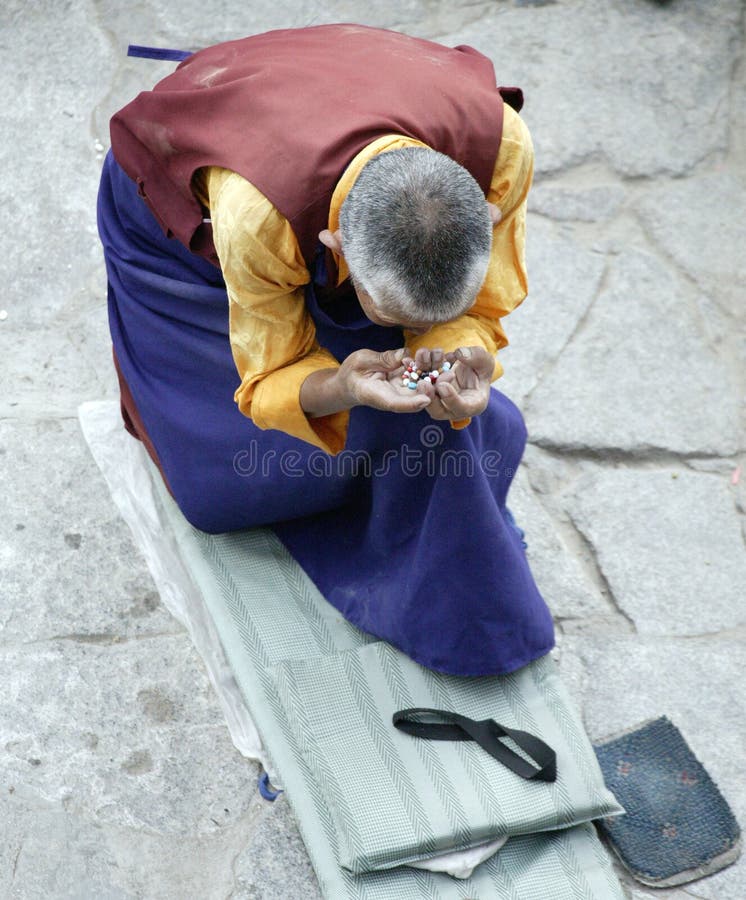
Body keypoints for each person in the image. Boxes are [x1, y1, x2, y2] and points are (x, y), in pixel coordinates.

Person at [98, 23, 555, 676]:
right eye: (391, 316)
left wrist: (467, 355)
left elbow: (481, 307)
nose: (413, 334)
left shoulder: (503, 151)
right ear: (335, 251)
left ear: (485, 213)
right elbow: (270, 372)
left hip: (324, 127)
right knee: (222, 485)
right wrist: (339, 387)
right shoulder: (255, 216)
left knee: (432, 428)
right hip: (181, 202)